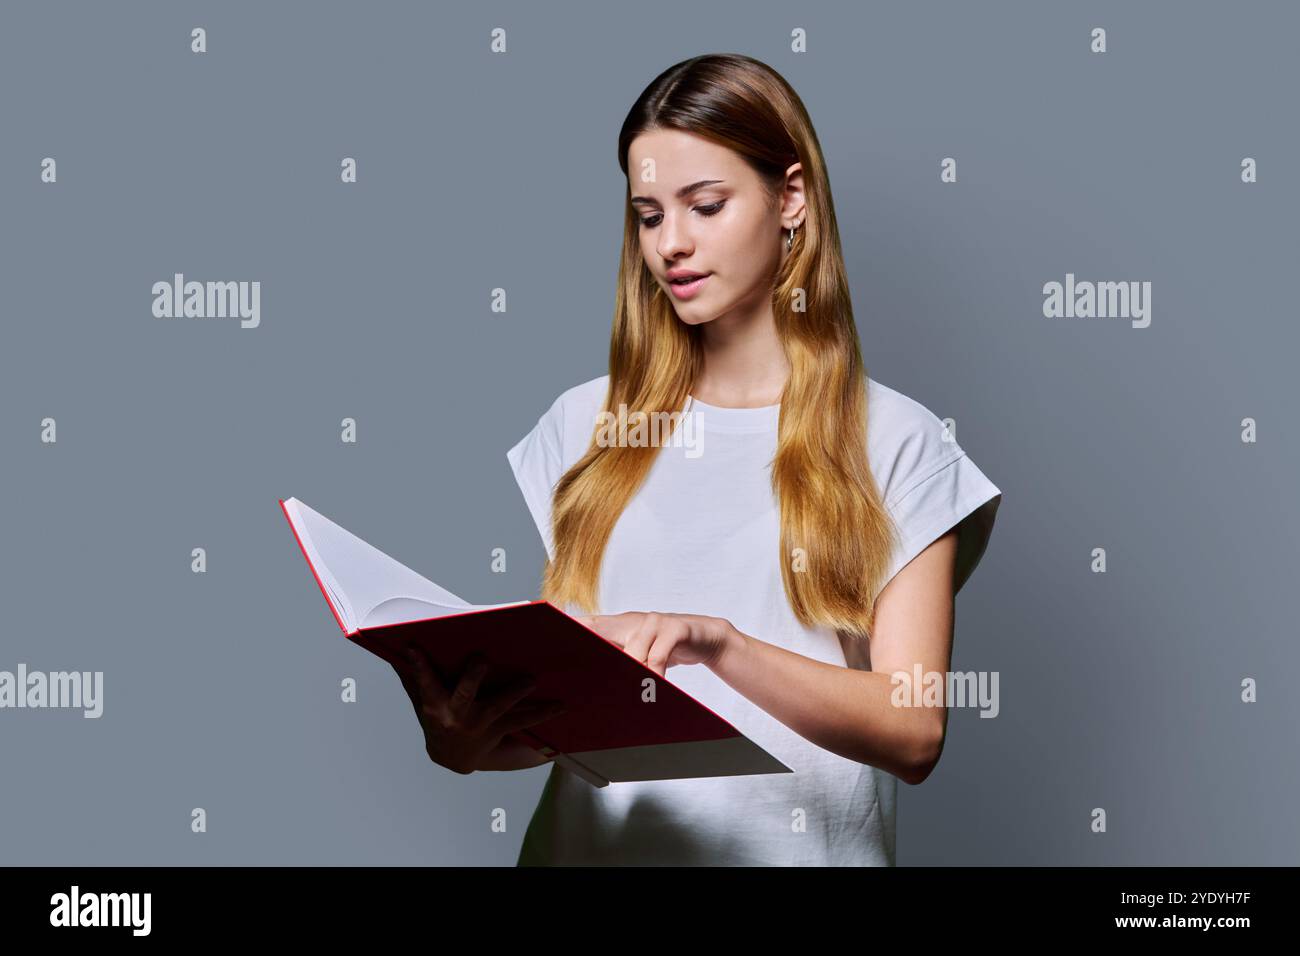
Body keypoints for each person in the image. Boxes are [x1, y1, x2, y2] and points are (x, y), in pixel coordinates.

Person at [402, 53, 1002, 866]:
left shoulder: (898, 441)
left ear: (791, 197)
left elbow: (914, 725)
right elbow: (572, 730)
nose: (671, 244)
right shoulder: (587, 425)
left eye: (705, 205)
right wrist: (466, 742)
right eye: (649, 216)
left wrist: (718, 645)